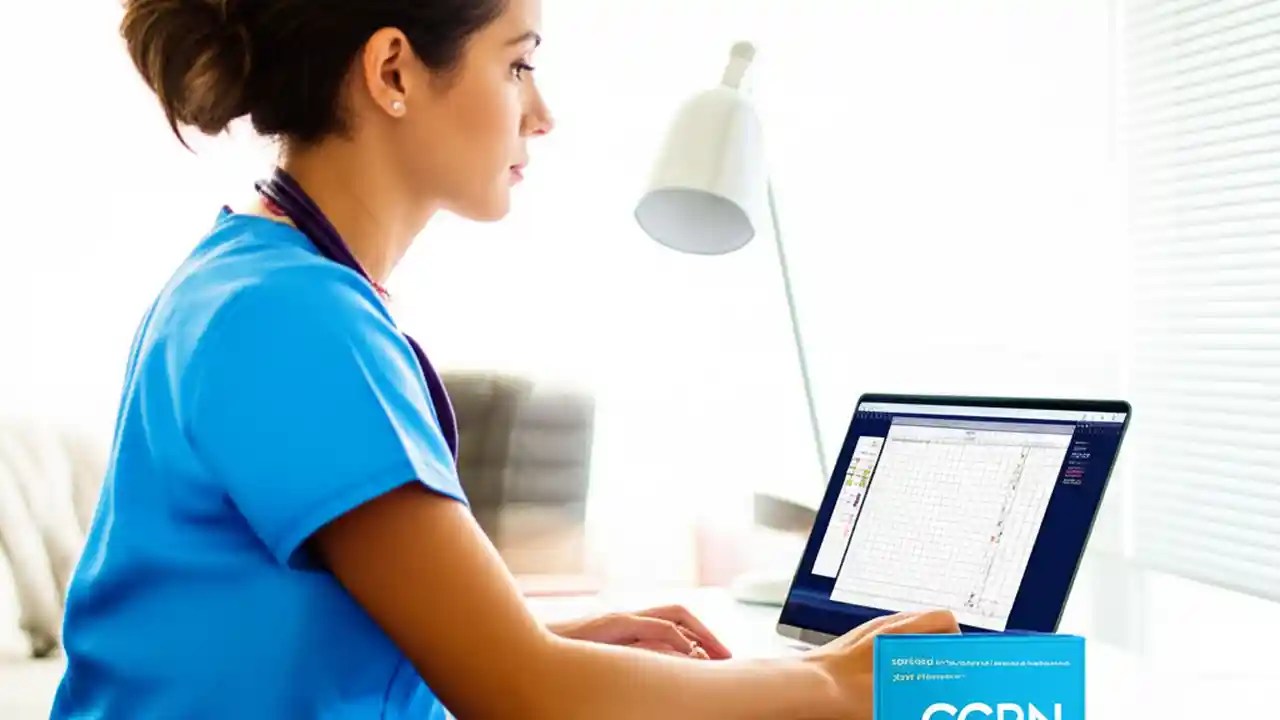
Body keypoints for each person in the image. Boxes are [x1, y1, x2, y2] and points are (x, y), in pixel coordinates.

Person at [51, 0, 960, 718]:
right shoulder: (289, 318)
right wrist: (836, 686)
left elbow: (295, 630)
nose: (543, 114)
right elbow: (524, 698)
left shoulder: (257, 279)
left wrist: (538, 640)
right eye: (518, 64)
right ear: (393, 71)